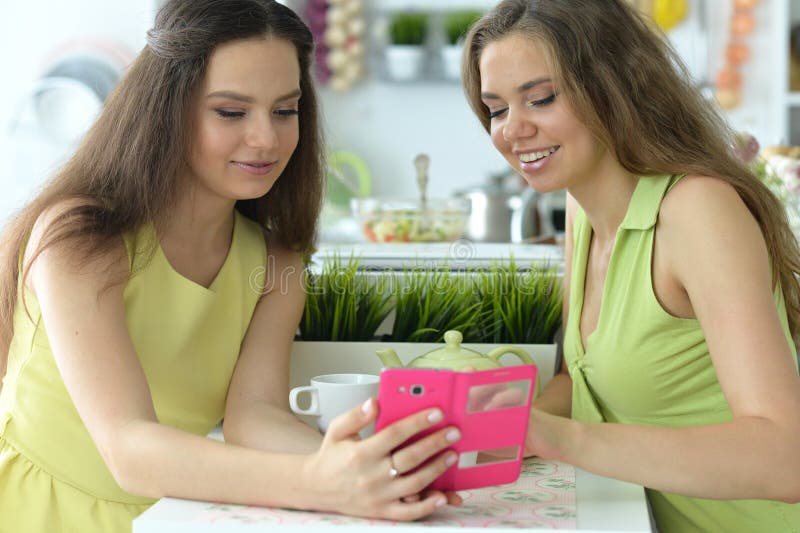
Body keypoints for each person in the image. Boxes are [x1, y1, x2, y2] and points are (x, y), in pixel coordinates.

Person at [0, 1, 462, 531]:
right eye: (231, 112)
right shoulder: (81, 238)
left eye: (285, 111)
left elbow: (255, 417)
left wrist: (370, 466)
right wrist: (321, 482)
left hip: (171, 511)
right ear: (166, 111)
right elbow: (128, 447)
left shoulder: (275, 263)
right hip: (36, 510)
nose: (266, 138)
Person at [462, 1, 800, 531]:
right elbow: (582, 380)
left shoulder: (696, 212)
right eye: (497, 109)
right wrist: (504, 426)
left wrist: (557, 438)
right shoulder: (582, 207)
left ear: (614, 86)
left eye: (541, 98)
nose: (512, 130)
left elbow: (786, 459)